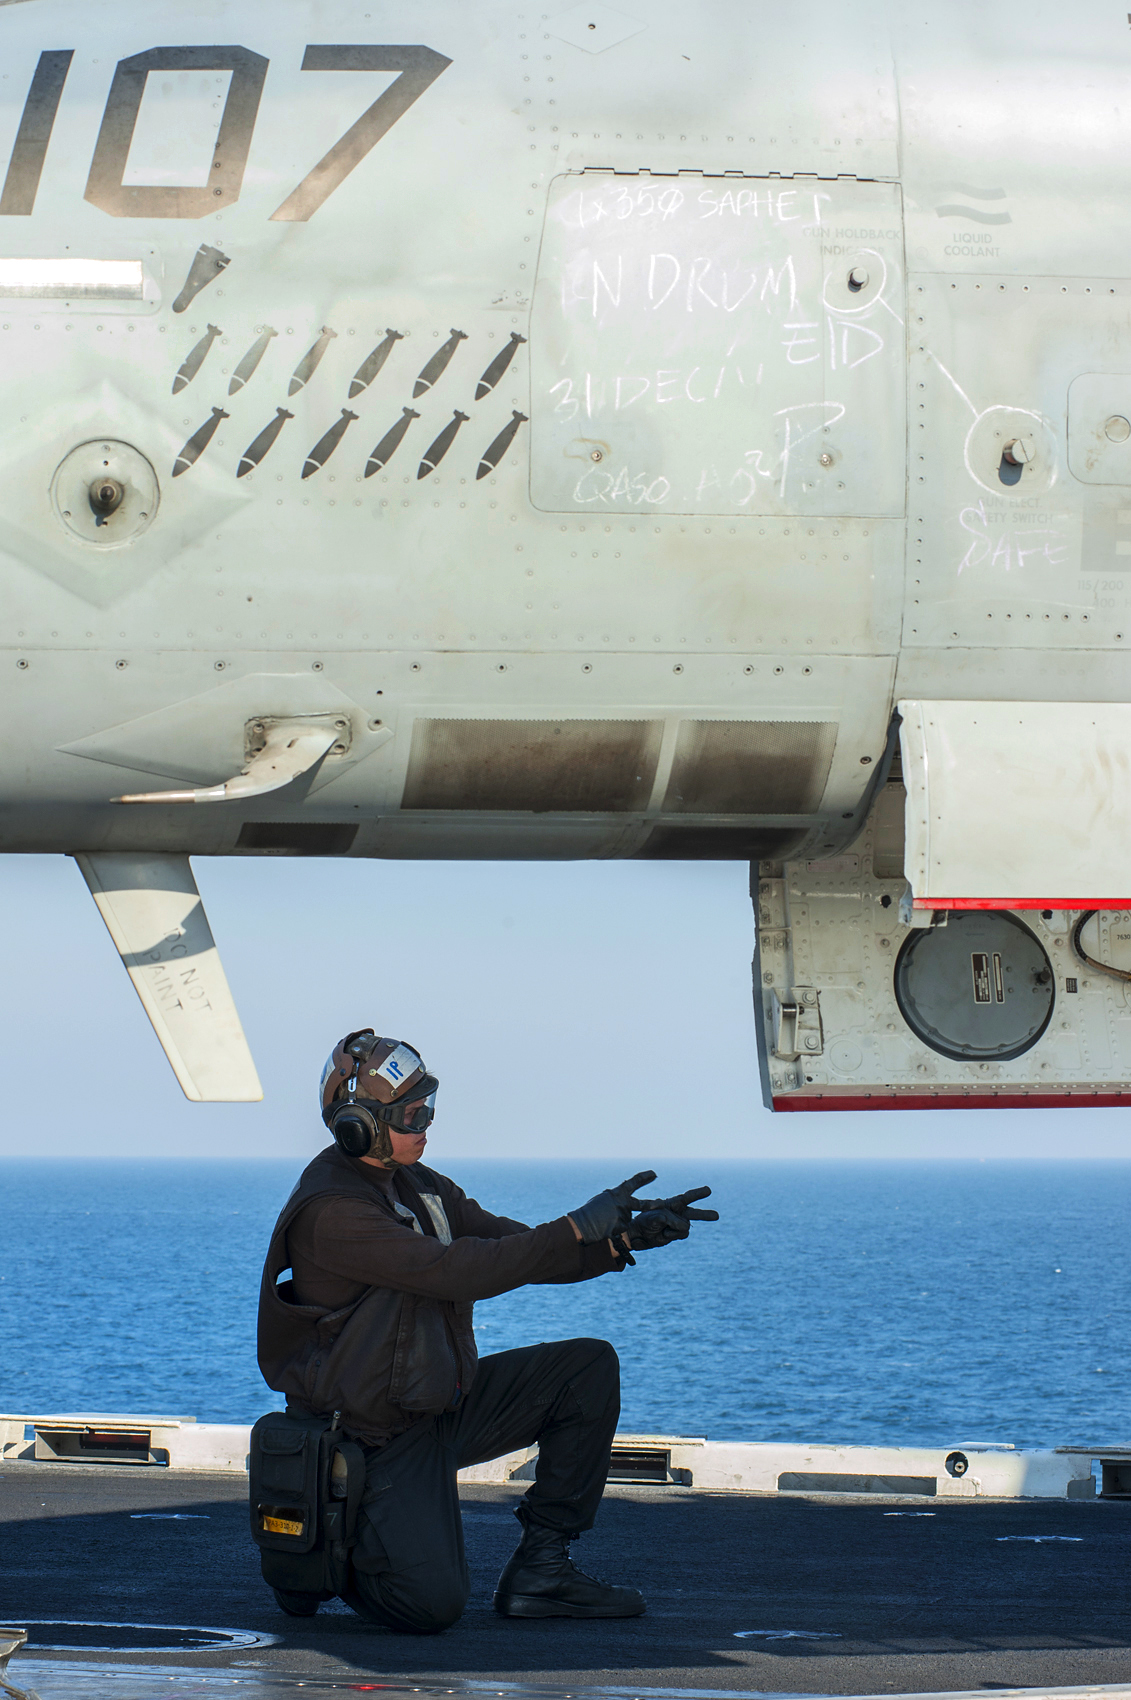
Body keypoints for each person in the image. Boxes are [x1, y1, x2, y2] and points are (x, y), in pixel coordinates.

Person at [256, 1028, 718, 1634]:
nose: (427, 1123)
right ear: (357, 1125)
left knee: (586, 1369)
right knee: (430, 1607)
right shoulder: (333, 1212)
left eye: (429, 1107)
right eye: (412, 1113)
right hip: (372, 1439)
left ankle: (542, 1570)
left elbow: (512, 1247)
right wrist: (575, 1227)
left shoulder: (421, 1186)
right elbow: (457, 1273)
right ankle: (315, 1561)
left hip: (441, 1408)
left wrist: (617, 1243)